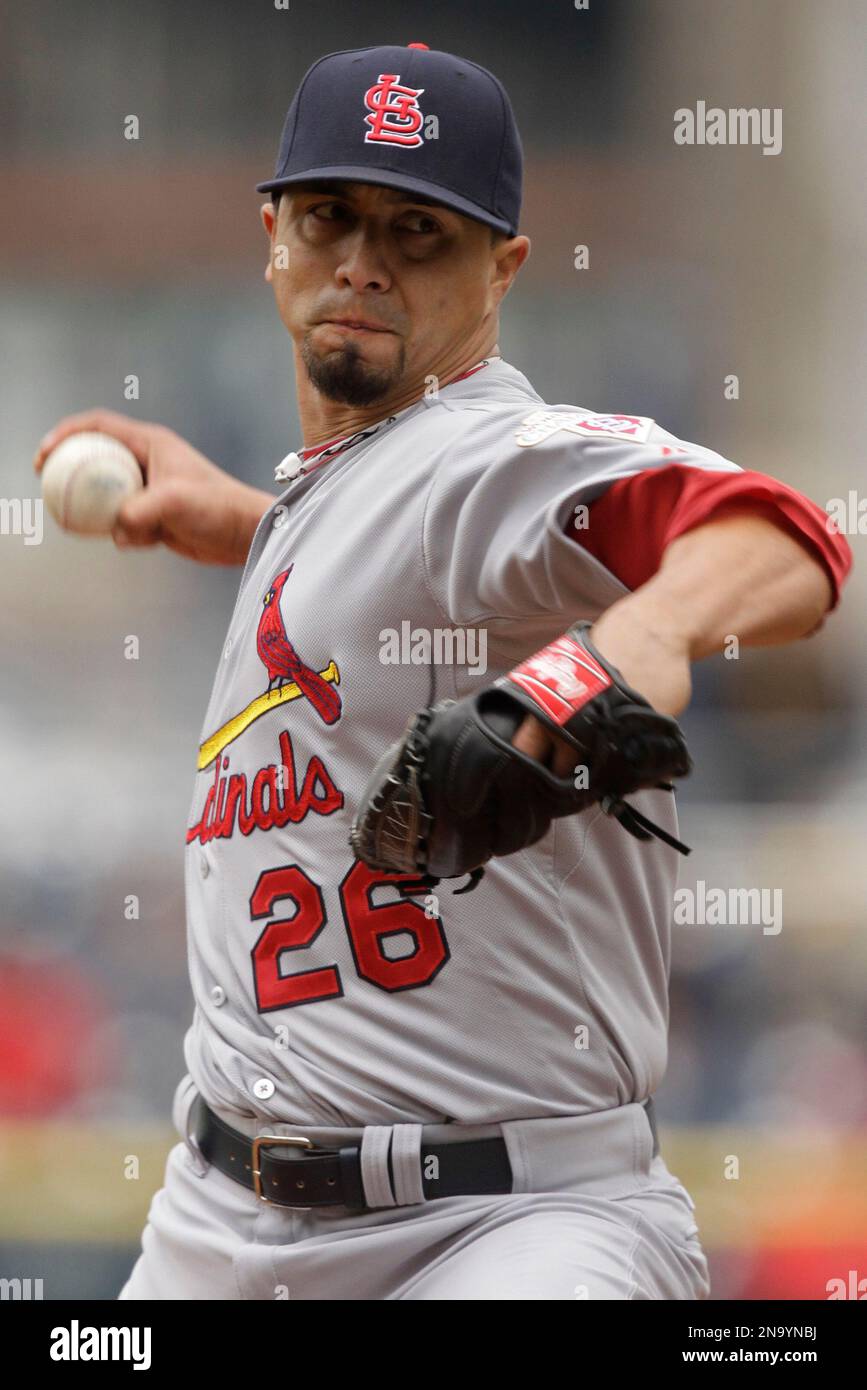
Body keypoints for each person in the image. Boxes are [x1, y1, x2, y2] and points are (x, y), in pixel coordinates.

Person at [35, 42, 851, 1301]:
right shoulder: (341, 497)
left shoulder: (490, 454)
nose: (364, 261)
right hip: (216, 1220)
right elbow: (409, 596)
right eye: (331, 217)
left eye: (420, 231)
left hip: (502, 1230)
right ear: (273, 237)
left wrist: (618, 658)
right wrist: (253, 525)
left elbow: (782, 537)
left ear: (502, 269)